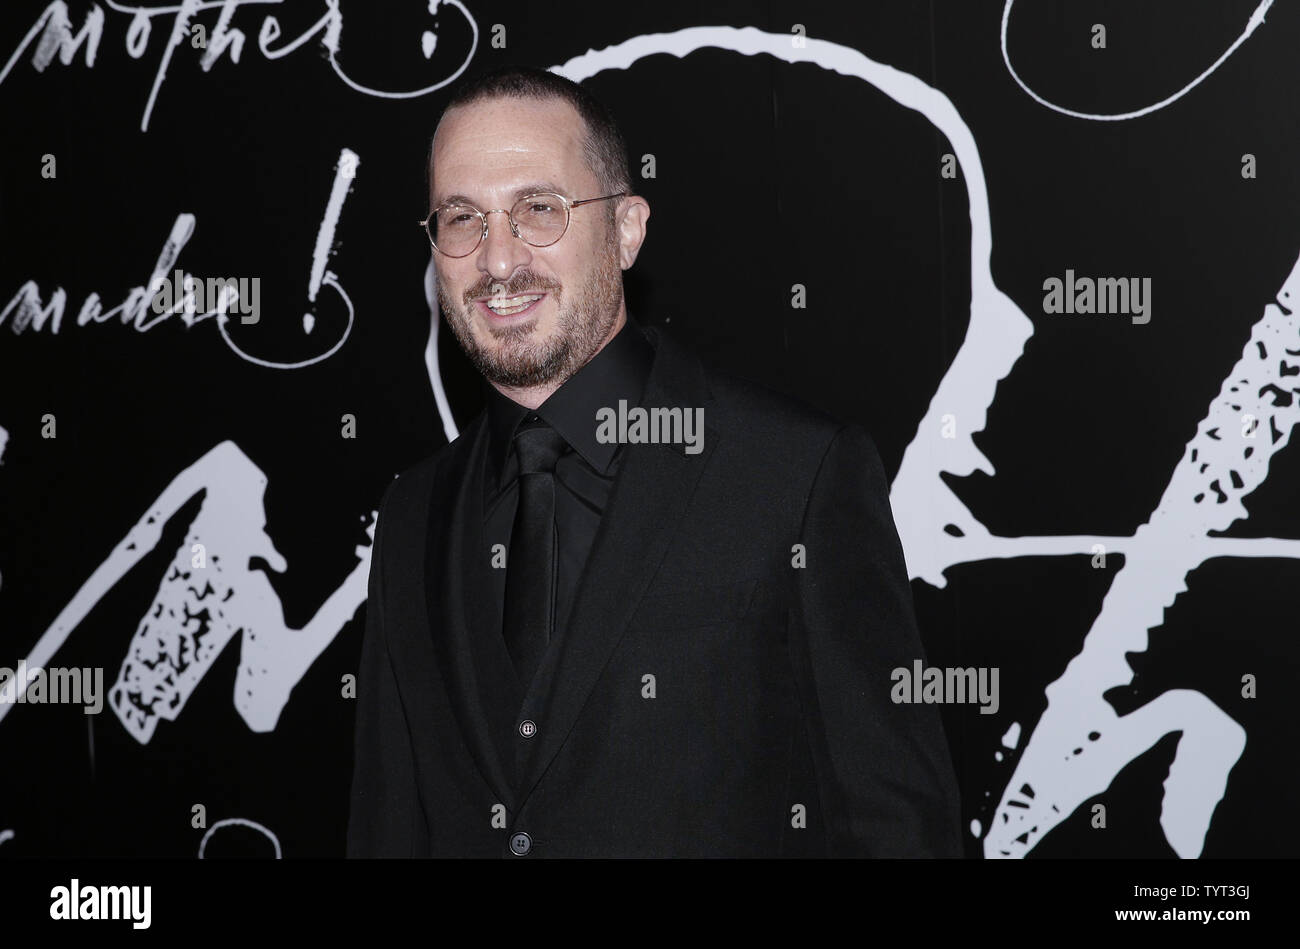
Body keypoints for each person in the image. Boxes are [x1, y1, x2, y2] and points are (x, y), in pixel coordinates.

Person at [347, 65, 961, 857]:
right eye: (463, 218)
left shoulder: (793, 477)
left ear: (628, 229)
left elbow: (900, 831)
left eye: (539, 209)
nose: (498, 260)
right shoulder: (412, 516)